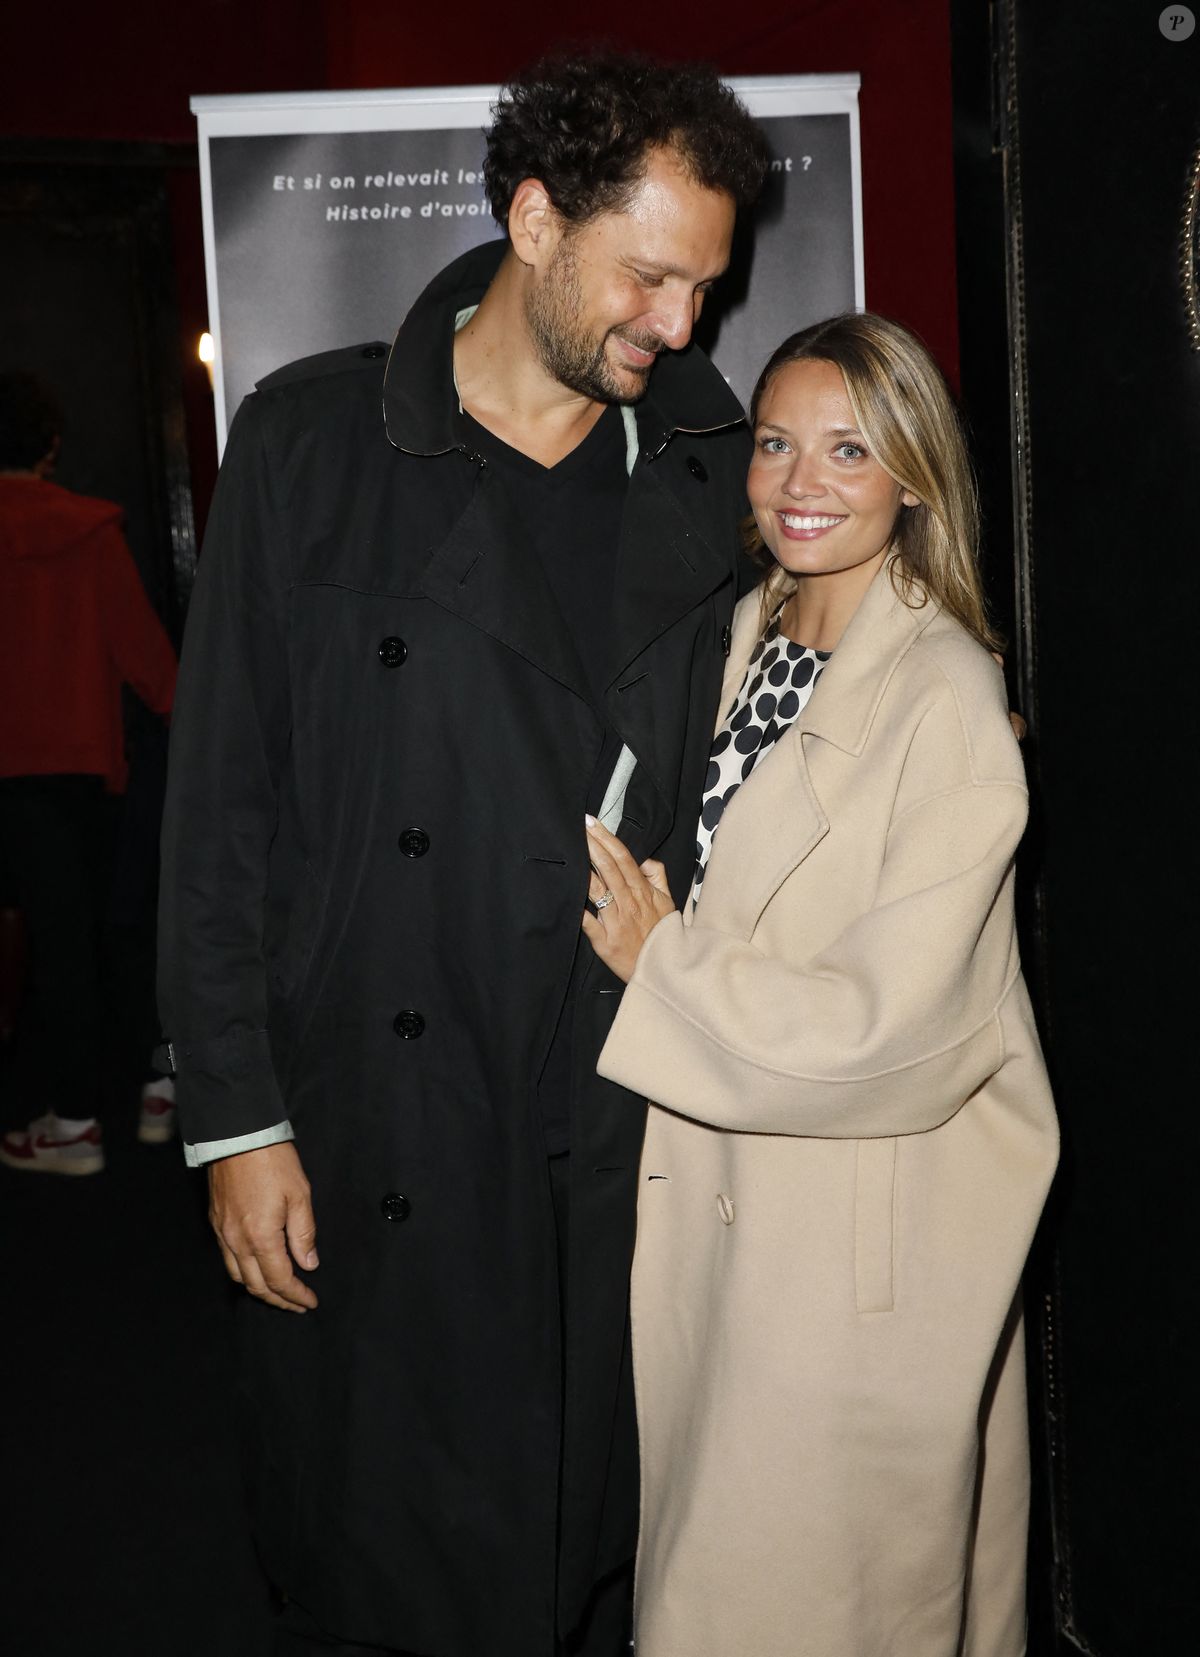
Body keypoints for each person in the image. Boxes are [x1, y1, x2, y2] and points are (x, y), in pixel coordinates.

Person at [157, 51, 769, 1657]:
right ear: (533, 218)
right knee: (389, 1559)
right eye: (651, 278)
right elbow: (219, 811)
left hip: (607, 1104)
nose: (683, 327)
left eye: (703, 289)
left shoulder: (714, 468)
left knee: (596, 1550)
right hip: (380, 1109)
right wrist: (236, 1118)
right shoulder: (313, 447)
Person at [583, 314, 1059, 1657]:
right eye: (778, 444)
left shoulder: (950, 697)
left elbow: (890, 1027)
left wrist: (661, 961)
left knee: (819, 1604)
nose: (801, 482)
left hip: (860, 1245)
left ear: (913, 473)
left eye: (850, 450)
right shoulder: (744, 637)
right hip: (734, 1199)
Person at [0, 373, 178, 1173]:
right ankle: (130, 1098)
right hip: (85, 770)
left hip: (9, 777)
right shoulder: (88, 532)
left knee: (49, 947)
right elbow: (148, 663)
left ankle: (71, 1119)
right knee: (108, 934)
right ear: (52, 445)